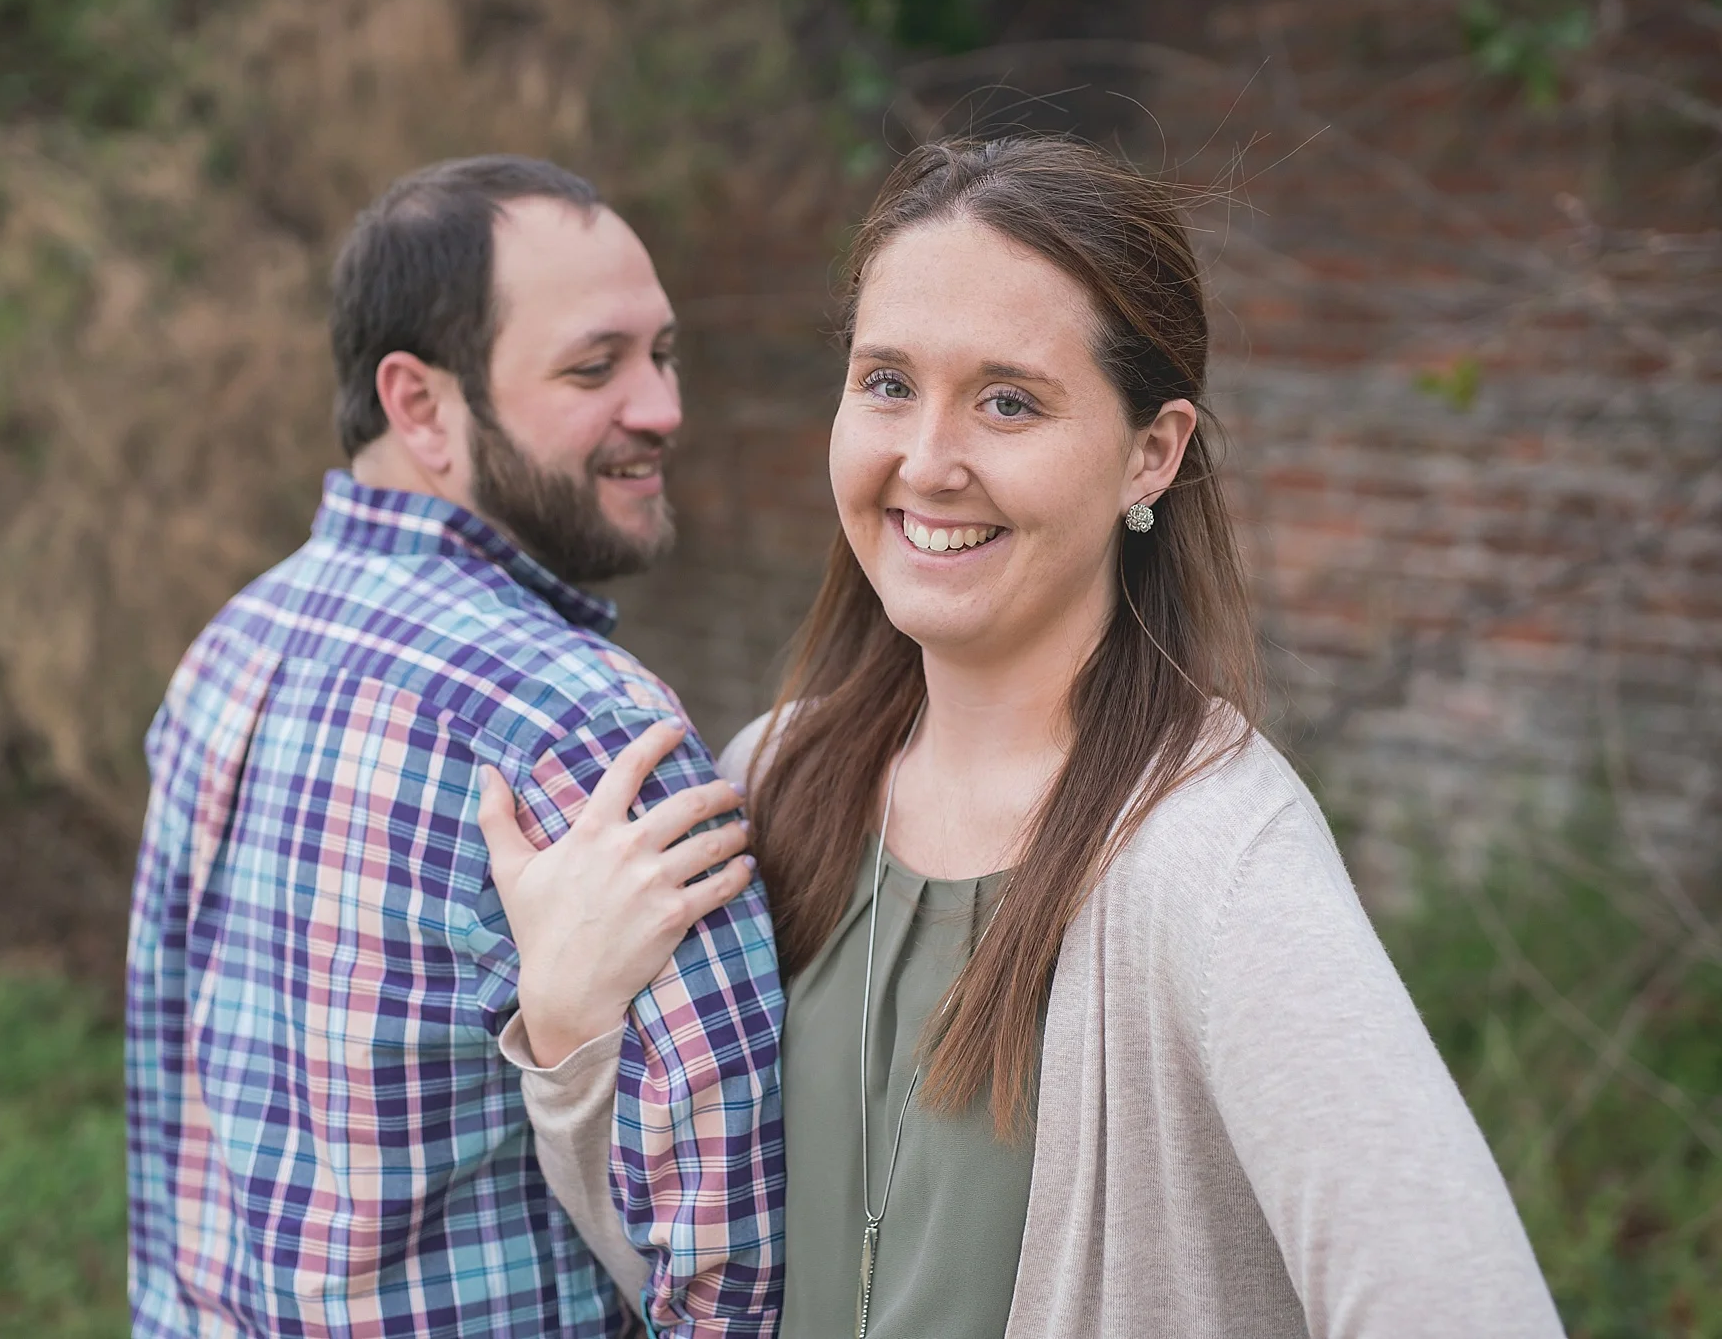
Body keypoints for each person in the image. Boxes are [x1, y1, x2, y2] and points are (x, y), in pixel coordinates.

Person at [477, 135, 1565, 1338]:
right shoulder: (768, 783)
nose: (925, 461)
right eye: (887, 383)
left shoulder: (1209, 865)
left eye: (1008, 400)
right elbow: (698, 1293)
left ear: (1149, 452)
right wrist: (574, 1030)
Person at [125, 155, 782, 1338]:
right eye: (595, 367)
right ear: (419, 404)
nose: (661, 408)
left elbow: (173, 1146)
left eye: (662, 354)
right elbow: (736, 1265)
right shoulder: (576, 726)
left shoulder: (233, 648)